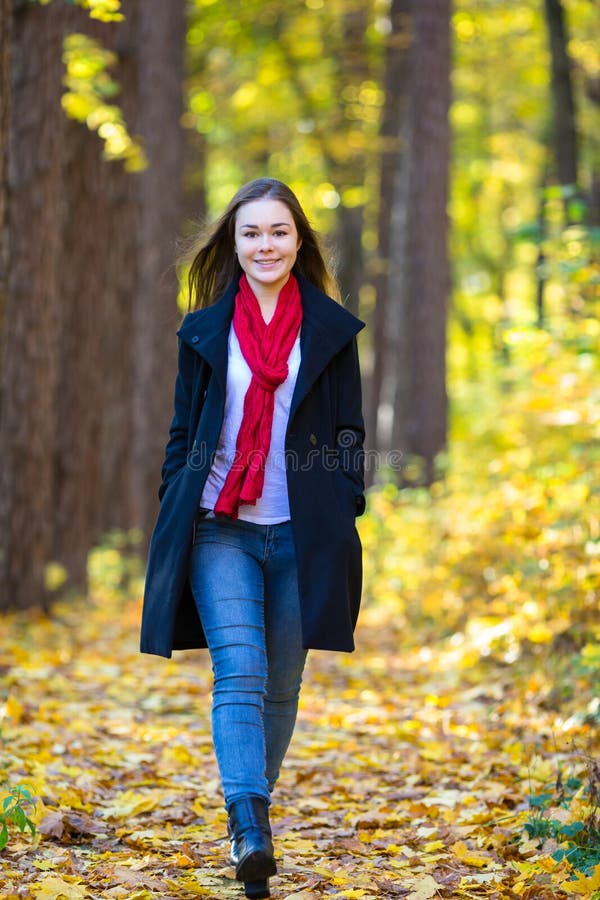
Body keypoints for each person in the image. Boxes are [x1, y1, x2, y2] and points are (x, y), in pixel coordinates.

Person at [140, 177, 366, 899]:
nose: (265, 245)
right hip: (219, 527)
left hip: (302, 532)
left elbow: (349, 432)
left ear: (298, 242)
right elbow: (183, 429)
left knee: (282, 685)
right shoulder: (204, 330)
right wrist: (176, 498)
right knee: (239, 671)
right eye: (251, 233)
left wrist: (345, 499)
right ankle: (249, 828)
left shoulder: (331, 331)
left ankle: (250, 818)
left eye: (277, 231)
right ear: (233, 245)